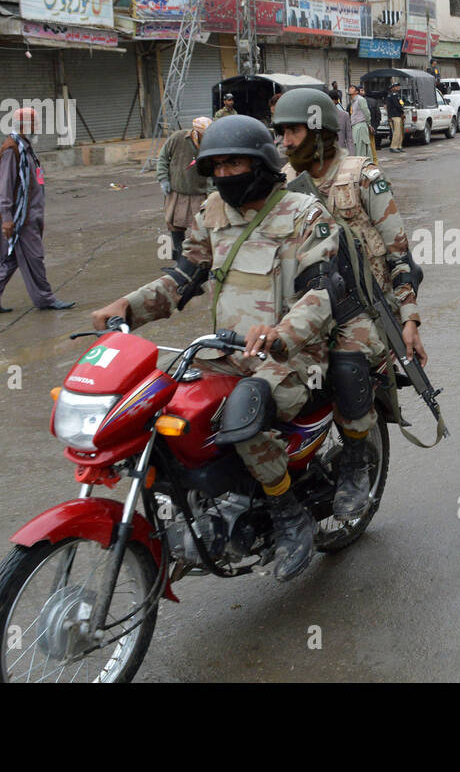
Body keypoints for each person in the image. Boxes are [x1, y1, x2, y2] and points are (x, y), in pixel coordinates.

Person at [91, 116, 346, 581]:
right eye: (218, 166)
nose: (226, 175)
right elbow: (182, 280)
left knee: (243, 419)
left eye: (236, 163)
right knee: (156, 406)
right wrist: (126, 308)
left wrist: (281, 335)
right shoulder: (211, 211)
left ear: (263, 164)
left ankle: (289, 515)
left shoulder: (305, 214)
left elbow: (322, 294)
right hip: (224, 351)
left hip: (293, 356)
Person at [274, 88, 428, 518]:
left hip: (362, 309)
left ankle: (358, 462)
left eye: (293, 131)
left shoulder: (362, 175)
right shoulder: (284, 184)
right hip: (309, 306)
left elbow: (399, 252)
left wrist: (409, 320)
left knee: (348, 363)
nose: (285, 141)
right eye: (281, 132)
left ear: (319, 130)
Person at [0, 106, 75, 313]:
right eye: (35, 124)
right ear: (25, 126)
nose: (38, 128)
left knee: (10, 257)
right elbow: (5, 186)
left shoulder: (25, 147)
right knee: (34, 257)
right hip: (20, 218)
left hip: (27, 215)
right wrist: (7, 217)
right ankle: (45, 299)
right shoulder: (12, 149)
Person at [157, 115, 214, 255]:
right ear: (196, 132)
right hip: (177, 191)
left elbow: (215, 170)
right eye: (203, 135)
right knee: (175, 225)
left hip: (200, 193)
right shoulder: (178, 138)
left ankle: (202, 258)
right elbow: (163, 158)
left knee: (204, 227)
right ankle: (180, 256)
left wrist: (213, 192)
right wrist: (163, 179)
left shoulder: (212, 145)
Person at [347, 83, 375, 162]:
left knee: (361, 147)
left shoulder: (360, 99)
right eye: (350, 88)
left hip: (360, 125)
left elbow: (366, 112)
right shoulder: (353, 101)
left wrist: (368, 124)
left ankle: (364, 165)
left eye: (352, 88)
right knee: (357, 147)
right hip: (355, 126)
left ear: (356, 91)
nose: (350, 89)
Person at [386, 81, 406, 153]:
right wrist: (402, 112)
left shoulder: (397, 95)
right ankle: (393, 146)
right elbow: (397, 105)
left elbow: (401, 103)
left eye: (398, 86)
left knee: (400, 132)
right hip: (395, 115)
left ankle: (399, 146)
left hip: (398, 115)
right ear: (393, 88)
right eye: (396, 86)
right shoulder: (393, 95)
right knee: (396, 132)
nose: (398, 87)